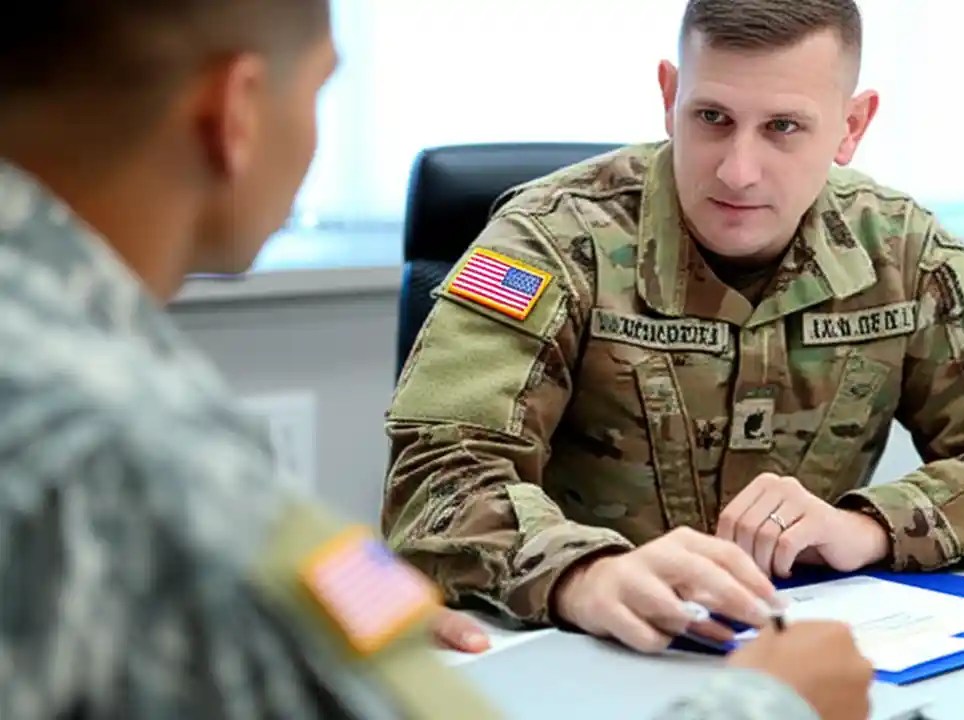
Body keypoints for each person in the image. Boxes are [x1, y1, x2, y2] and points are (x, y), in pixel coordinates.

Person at [0, 2, 875, 719]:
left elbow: (277, 539)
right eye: (319, 92)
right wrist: (768, 703)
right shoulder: (119, 444)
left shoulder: (86, 357)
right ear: (234, 113)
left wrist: (365, 599)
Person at [383, 0, 964, 654]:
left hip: (795, 648)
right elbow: (434, 476)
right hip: (579, 645)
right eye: (712, 118)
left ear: (851, 127)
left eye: (783, 127)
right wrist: (585, 574)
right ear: (670, 99)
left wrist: (874, 526)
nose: (738, 171)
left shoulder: (898, 249)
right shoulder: (551, 239)